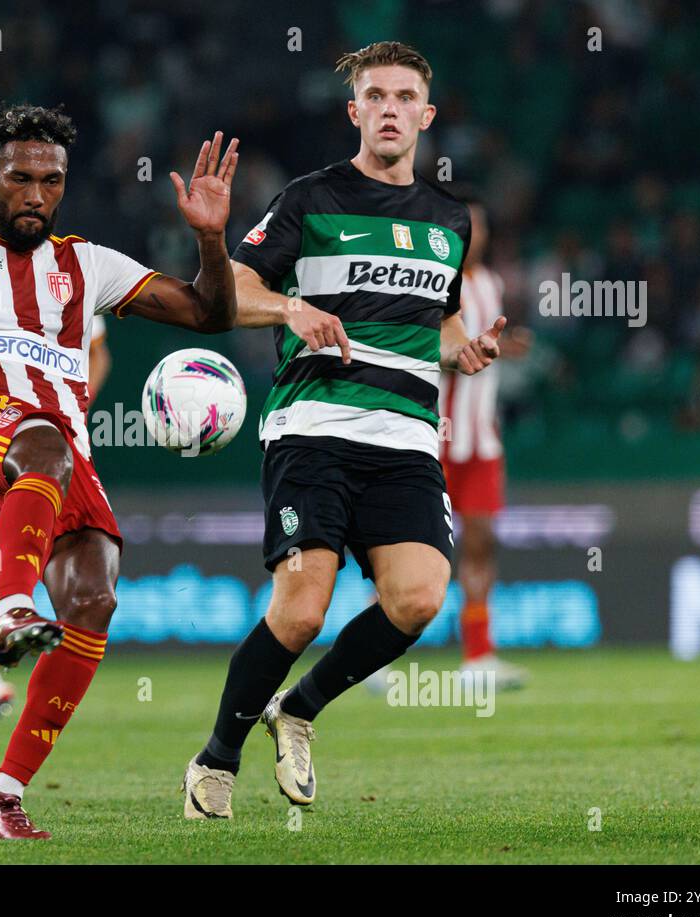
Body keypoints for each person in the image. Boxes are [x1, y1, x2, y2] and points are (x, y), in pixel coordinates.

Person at [0, 103, 239, 838]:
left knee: (94, 594)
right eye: (21, 178)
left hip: (58, 456)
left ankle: (1, 795)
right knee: (43, 441)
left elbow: (206, 314)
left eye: (51, 181)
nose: (36, 195)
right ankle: (8, 611)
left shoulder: (84, 263)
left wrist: (211, 240)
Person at [183, 42, 507, 819]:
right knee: (299, 611)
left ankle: (297, 709)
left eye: (405, 97)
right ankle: (214, 758)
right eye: (375, 95)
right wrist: (288, 306)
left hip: (406, 441)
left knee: (420, 599)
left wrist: (462, 347)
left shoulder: (447, 220)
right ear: (354, 110)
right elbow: (235, 290)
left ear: (425, 116)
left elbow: (439, 316)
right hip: (314, 429)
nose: (390, 108)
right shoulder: (310, 199)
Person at [0, 315, 111, 718]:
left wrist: (75, 403)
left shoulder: (67, 268)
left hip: (46, 429)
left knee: (41, 536)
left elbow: (99, 353)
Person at [438, 200, 530, 688]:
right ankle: (375, 658)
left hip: (482, 443)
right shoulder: (429, 281)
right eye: (468, 228)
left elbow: (483, 346)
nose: (478, 236)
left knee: (480, 544)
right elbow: (416, 349)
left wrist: (504, 348)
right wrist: (463, 351)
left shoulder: (491, 284)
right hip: (435, 439)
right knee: (412, 549)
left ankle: (478, 656)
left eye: (483, 227)